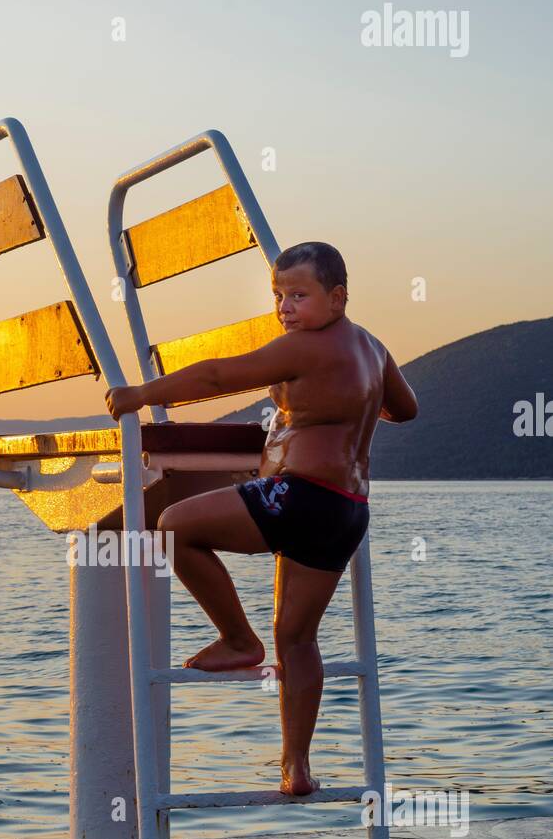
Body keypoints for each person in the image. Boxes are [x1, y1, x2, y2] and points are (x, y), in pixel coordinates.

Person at [105, 241, 418, 796]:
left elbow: (216, 377)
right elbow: (405, 408)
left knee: (174, 526)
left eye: (299, 295)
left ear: (337, 297)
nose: (286, 308)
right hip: (347, 510)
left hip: (299, 496)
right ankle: (296, 766)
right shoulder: (373, 348)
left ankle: (235, 638)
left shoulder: (304, 348)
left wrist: (140, 395)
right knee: (296, 639)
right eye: (278, 296)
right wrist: (350, 404)